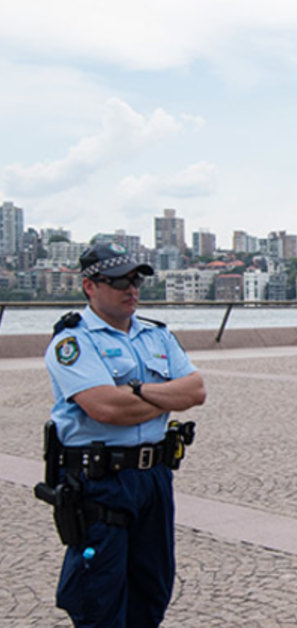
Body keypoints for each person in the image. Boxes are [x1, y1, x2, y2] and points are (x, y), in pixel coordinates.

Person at [43, 242, 206, 626]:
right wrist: (163, 396)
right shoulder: (73, 341)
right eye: (119, 281)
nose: (131, 289)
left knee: (152, 591)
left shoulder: (156, 335)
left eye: (136, 280)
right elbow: (105, 408)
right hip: (100, 482)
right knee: (99, 597)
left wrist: (132, 392)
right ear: (90, 286)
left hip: (153, 478)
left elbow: (195, 391)